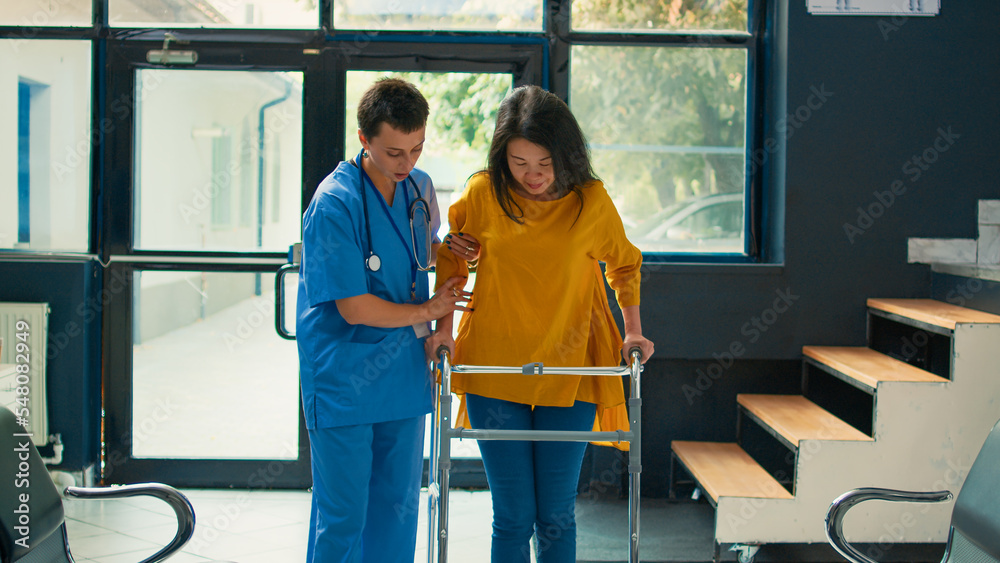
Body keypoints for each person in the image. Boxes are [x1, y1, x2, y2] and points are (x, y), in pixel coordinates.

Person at [430, 84, 655, 563]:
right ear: (502, 157)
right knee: (512, 515)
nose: (532, 176)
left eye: (544, 163)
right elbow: (452, 260)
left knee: (555, 515)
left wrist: (632, 330)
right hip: (496, 365)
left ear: (566, 154)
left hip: (572, 367)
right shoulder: (483, 193)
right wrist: (445, 329)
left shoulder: (591, 201)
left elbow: (625, 263)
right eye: (518, 162)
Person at [296, 77, 470, 563]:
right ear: (364, 140)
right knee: (345, 515)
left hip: (401, 372)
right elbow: (353, 306)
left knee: (397, 508)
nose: (407, 163)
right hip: (345, 375)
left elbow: (413, 253)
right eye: (394, 152)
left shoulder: (418, 189)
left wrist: (448, 250)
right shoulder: (334, 204)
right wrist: (429, 312)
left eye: (416, 149)